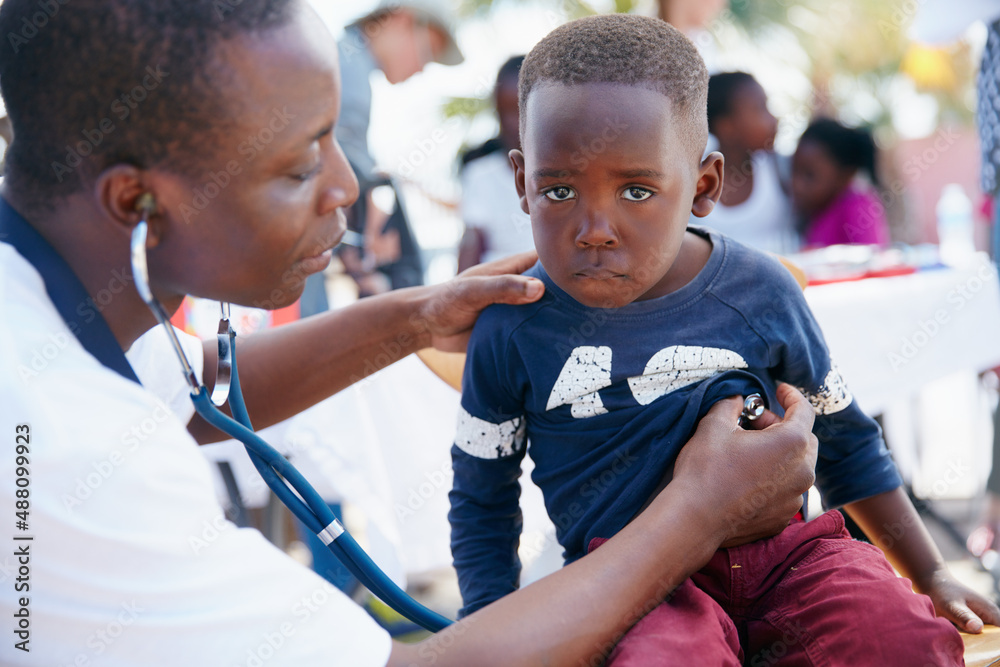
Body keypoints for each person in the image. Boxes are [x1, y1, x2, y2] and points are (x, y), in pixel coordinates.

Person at [0, 1, 822, 665]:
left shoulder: (42, 307)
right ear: (135, 203)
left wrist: (417, 315)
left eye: (333, 138)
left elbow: (190, 388)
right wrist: (701, 511)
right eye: (297, 164)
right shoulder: (62, 457)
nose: (344, 187)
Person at [448, 14, 997, 665]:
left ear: (703, 185)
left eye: (637, 190)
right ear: (521, 182)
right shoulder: (513, 325)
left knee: (895, 636)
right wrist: (486, 623)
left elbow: (846, 441)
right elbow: (482, 495)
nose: (594, 227)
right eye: (559, 189)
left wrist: (929, 571)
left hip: (796, 561)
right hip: (631, 586)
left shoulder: (760, 290)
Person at [300, 0, 462, 311]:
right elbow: (338, 165)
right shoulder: (347, 70)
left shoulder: (344, 61)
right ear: (401, 20)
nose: (423, 67)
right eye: (428, 52)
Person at [701, 71, 797, 255]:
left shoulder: (779, 167)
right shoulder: (692, 176)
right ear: (726, 127)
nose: (773, 120)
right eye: (760, 109)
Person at [457, 55, 535, 272]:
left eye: (523, 111)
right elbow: (471, 243)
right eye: (505, 113)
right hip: (499, 283)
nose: (514, 124)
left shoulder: (571, 171)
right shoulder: (480, 175)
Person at [791, 117, 891, 248]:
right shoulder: (817, 209)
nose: (796, 185)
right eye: (794, 171)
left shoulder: (858, 206)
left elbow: (872, 260)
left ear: (845, 176)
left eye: (809, 175)